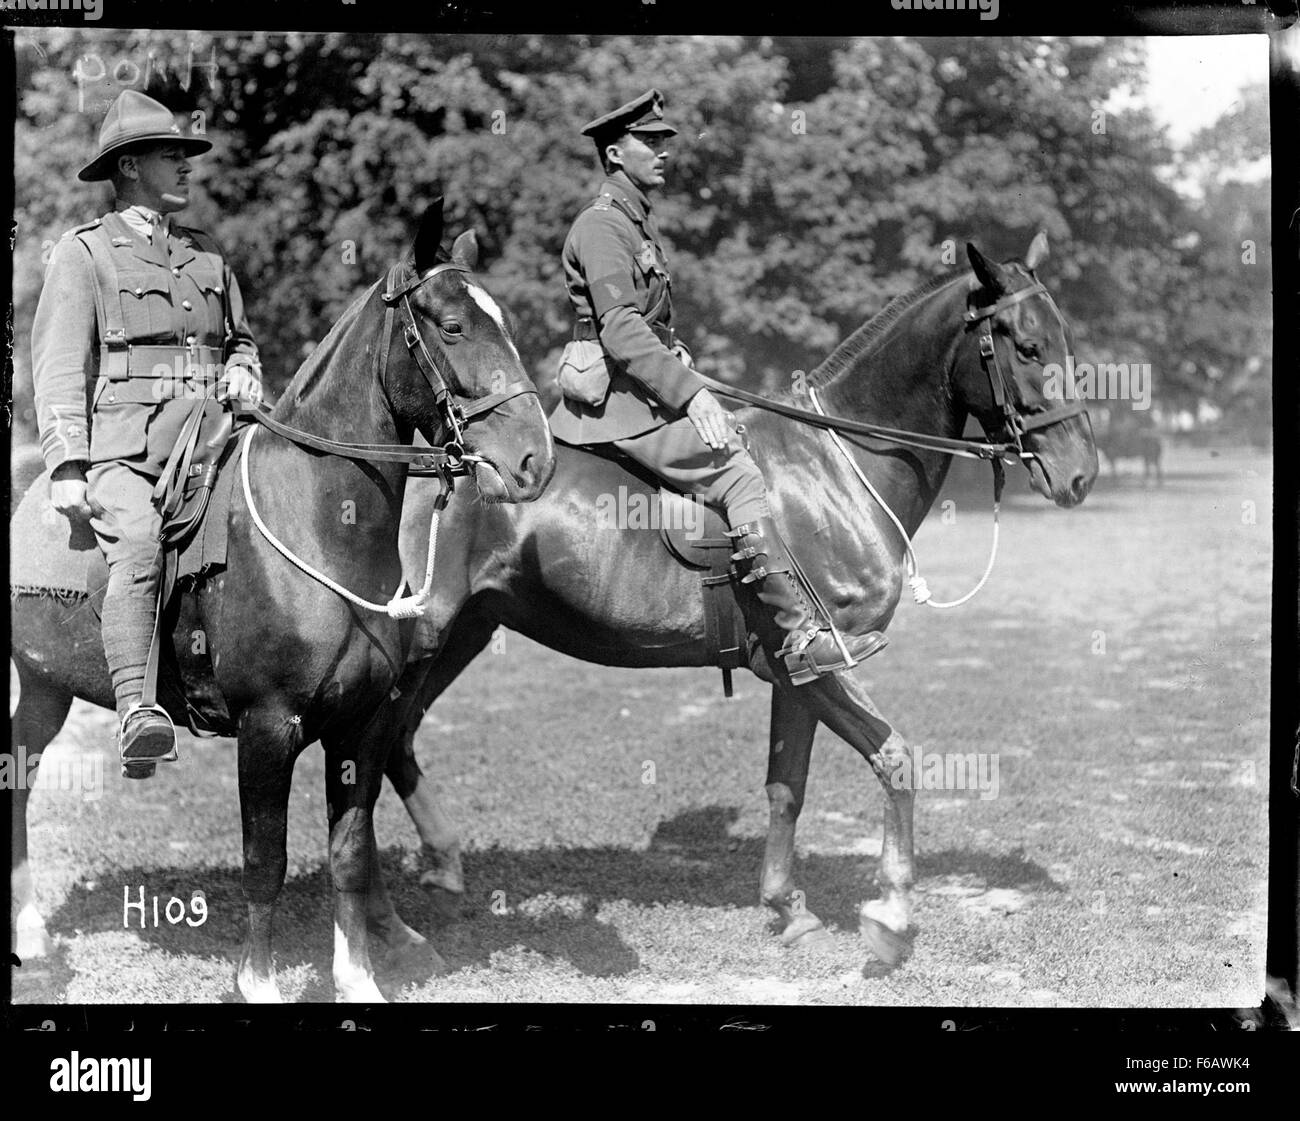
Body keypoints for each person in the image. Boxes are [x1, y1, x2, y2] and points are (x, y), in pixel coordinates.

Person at [548, 89, 885, 685]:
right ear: (614, 154)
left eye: (664, 141)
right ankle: (797, 635)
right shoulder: (601, 227)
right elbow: (621, 328)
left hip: (643, 392)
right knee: (739, 475)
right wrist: (692, 394)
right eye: (648, 141)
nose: (662, 151)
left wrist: (685, 370)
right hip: (620, 407)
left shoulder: (635, 221)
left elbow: (648, 326)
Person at [33, 89, 263, 775]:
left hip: (217, 438)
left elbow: (240, 340)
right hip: (128, 451)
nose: (188, 167)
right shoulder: (85, 254)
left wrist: (243, 369)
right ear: (129, 167)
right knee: (137, 546)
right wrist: (67, 464)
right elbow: (59, 365)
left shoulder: (206, 253)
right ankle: (138, 711)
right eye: (172, 155)